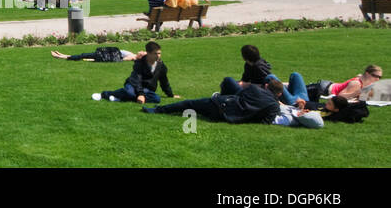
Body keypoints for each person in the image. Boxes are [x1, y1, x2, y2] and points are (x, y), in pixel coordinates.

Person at [144, 83, 279, 124]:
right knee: (193, 107)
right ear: (279, 94)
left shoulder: (255, 88)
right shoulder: (274, 106)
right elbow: (266, 122)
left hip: (220, 105)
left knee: (189, 103)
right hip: (227, 117)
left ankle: (158, 110)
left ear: (266, 86)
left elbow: (237, 96)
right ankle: (158, 110)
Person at [93, 42, 178, 104]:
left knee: (156, 99)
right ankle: (104, 94)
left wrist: (170, 95)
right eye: (155, 53)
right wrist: (141, 94)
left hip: (147, 89)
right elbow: (136, 80)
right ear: (148, 53)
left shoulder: (161, 66)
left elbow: (164, 81)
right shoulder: (139, 63)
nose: (158, 56)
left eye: (159, 53)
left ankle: (120, 98)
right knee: (129, 92)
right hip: (133, 85)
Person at [52, 46, 139, 61]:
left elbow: (121, 59)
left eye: (143, 52)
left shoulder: (132, 57)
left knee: (83, 55)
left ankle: (61, 56)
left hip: (104, 55)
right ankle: (63, 55)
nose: (142, 51)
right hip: (105, 54)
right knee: (83, 55)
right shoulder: (133, 54)